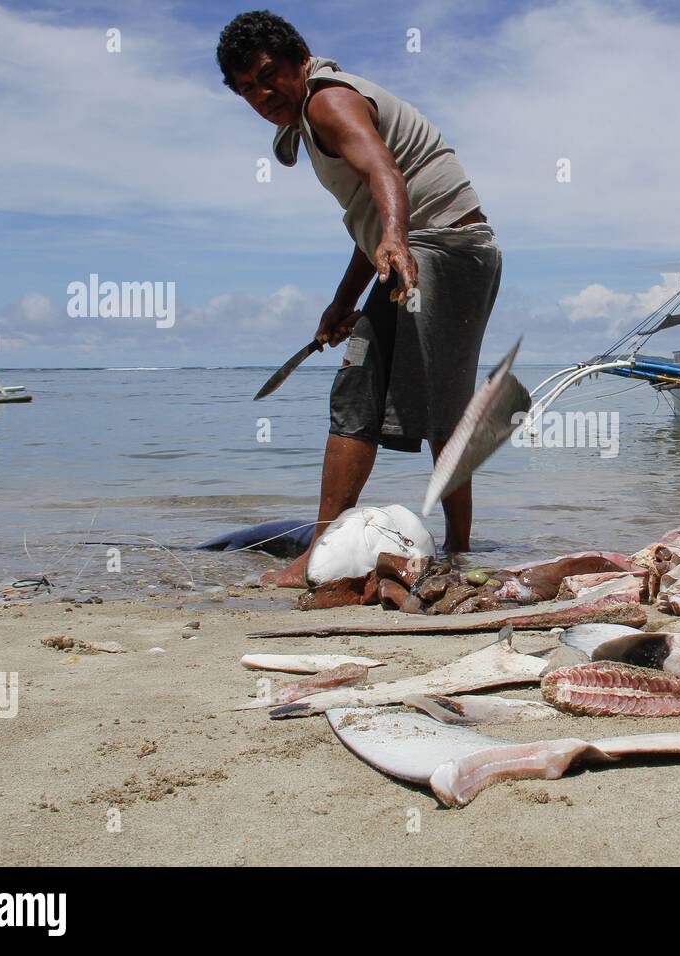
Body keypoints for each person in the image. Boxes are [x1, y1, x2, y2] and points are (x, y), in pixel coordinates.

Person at [216, 11, 501, 587]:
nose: (262, 94)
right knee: (366, 389)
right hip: (425, 245)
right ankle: (438, 550)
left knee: (428, 401)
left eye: (270, 76)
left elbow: (385, 173)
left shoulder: (328, 103)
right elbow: (369, 219)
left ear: (301, 58)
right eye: (247, 89)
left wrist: (394, 239)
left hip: (442, 245)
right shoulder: (312, 115)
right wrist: (342, 302)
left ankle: (430, 549)